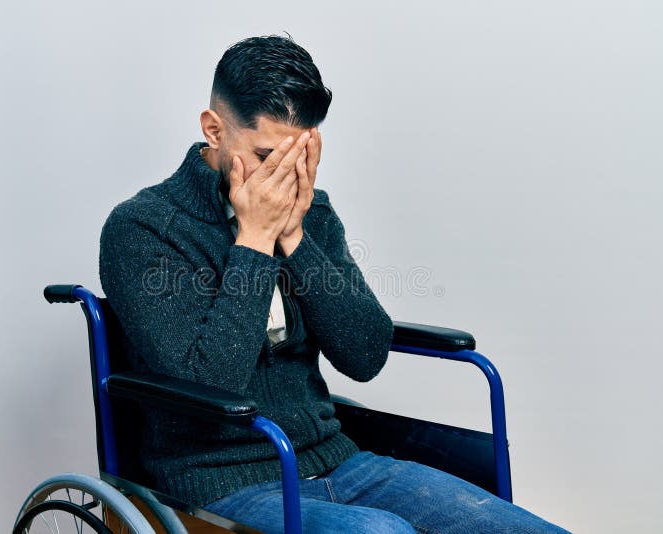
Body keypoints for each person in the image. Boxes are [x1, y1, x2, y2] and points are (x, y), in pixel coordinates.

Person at [99, 34, 569, 534]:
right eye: (266, 157)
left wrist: (296, 238)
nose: (284, 179)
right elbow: (213, 388)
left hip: (338, 459)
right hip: (220, 480)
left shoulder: (312, 213)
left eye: (299, 159)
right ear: (214, 131)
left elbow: (365, 356)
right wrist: (255, 240)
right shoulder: (144, 230)